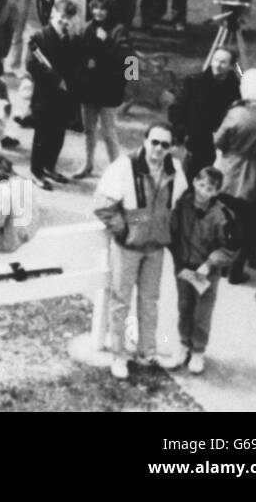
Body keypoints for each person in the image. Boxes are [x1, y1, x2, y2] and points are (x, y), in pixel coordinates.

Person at [94, 123, 188, 380]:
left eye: (165, 145)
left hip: (155, 247)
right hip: (128, 247)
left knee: (149, 301)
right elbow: (102, 205)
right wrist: (123, 232)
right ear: (145, 140)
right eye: (155, 142)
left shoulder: (174, 170)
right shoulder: (124, 166)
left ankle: (147, 352)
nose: (158, 149)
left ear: (171, 148)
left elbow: (178, 206)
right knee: (120, 301)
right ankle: (118, 354)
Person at [212, 68, 256, 285]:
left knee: (225, 222)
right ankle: (236, 268)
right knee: (248, 227)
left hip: (228, 173)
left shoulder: (237, 113)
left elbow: (219, 141)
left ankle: (220, 265)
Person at [169, 166, 239, 374]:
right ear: (194, 183)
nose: (203, 191)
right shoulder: (182, 205)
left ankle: (198, 350)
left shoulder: (223, 215)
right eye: (200, 185)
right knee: (184, 307)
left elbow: (231, 246)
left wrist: (209, 263)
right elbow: (173, 230)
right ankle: (183, 344)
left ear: (216, 192)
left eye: (209, 189)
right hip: (184, 267)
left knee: (202, 312)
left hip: (206, 271)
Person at [27, 0, 83, 189]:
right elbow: (32, 64)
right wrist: (55, 78)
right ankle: (36, 171)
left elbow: (77, 64)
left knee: (58, 134)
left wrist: (72, 81)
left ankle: (49, 167)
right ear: (53, 15)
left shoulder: (73, 38)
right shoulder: (40, 36)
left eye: (69, 18)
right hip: (45, 95)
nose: (64, 21)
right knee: (42, 135)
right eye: (61, 17)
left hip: (64, 96)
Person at [76, 0, 132, 179]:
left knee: (108, 131)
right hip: (89, 87)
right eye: (95, 8)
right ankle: (88, 163)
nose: (98, 12)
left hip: (110, 88)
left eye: (103, 9)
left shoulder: (119, 30)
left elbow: (130, 59)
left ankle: (116, 170)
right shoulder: (87, 27)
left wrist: (130, 87)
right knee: (88, 129)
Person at [169, 47, 241, 181]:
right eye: (216, 60)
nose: (218, 65)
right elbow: (176, 110)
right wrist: (183, 133)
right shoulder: (193, 81)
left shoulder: (236, 89)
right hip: (194, 142)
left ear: (231, 66)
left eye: (223, 62)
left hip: (221, 146)